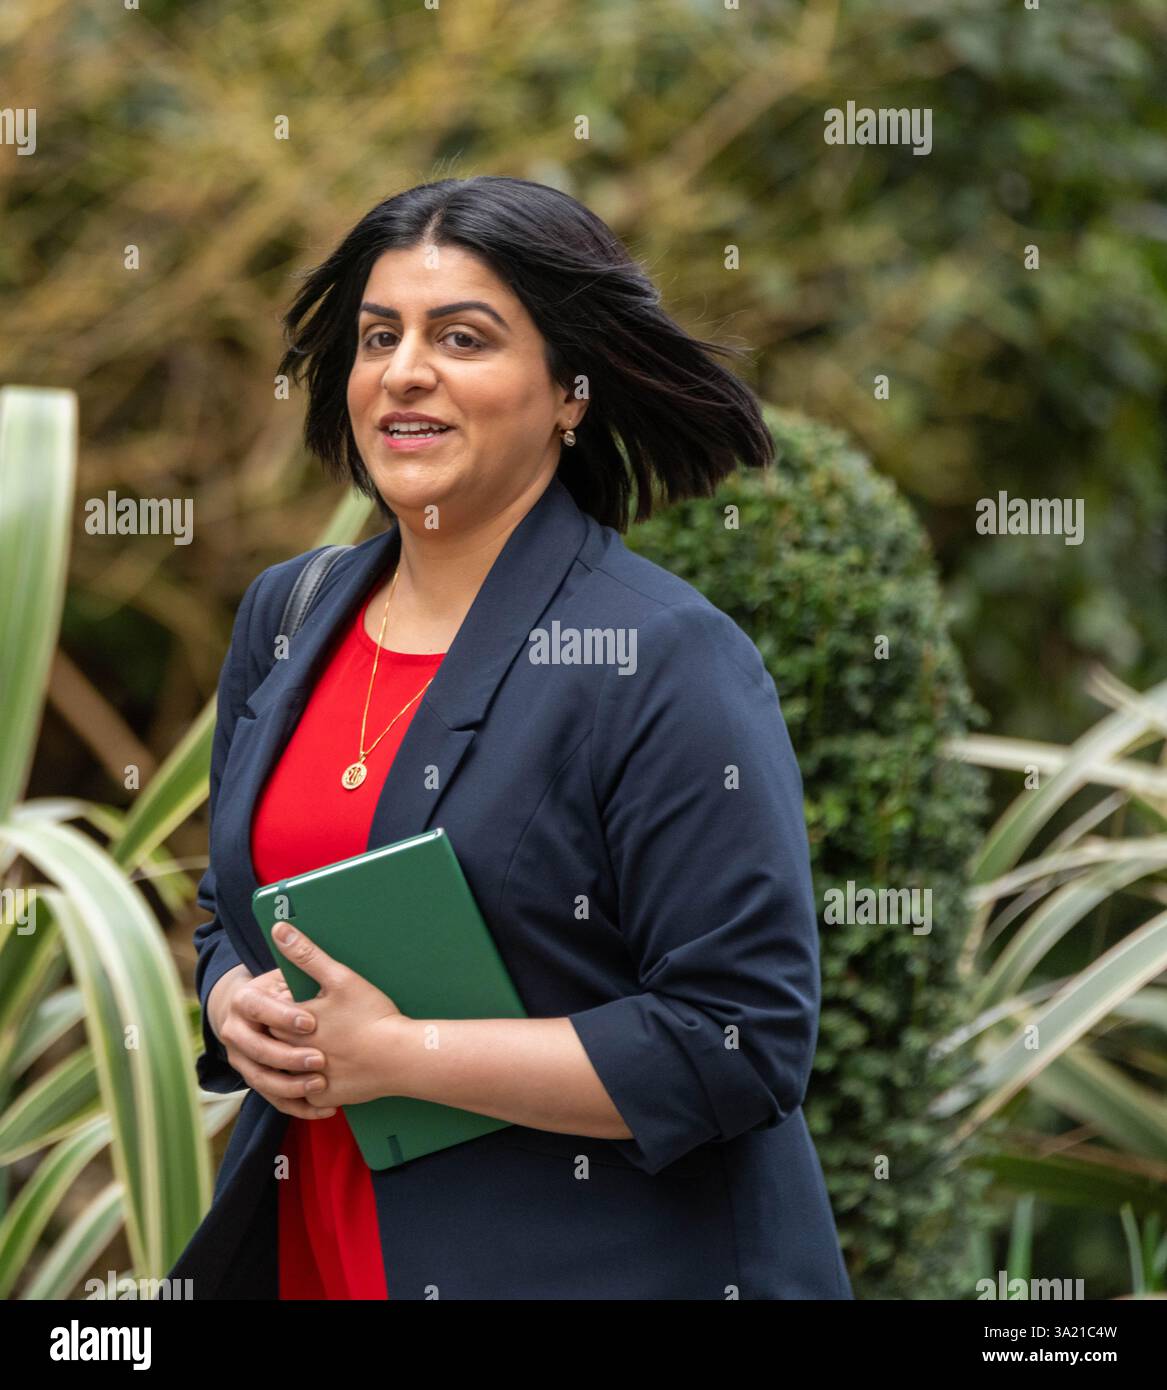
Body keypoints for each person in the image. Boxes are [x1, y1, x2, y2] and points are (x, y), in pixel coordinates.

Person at [167, 174, 852, 1300]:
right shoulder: (287, 616)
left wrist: (404, 1057)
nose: (404, 370)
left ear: (569, 392)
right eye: (379, 334)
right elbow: (228, 908)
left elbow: (741, 1036)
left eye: (463, 337)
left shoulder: (665, 658)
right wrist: (230, 994)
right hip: (318, 1248)